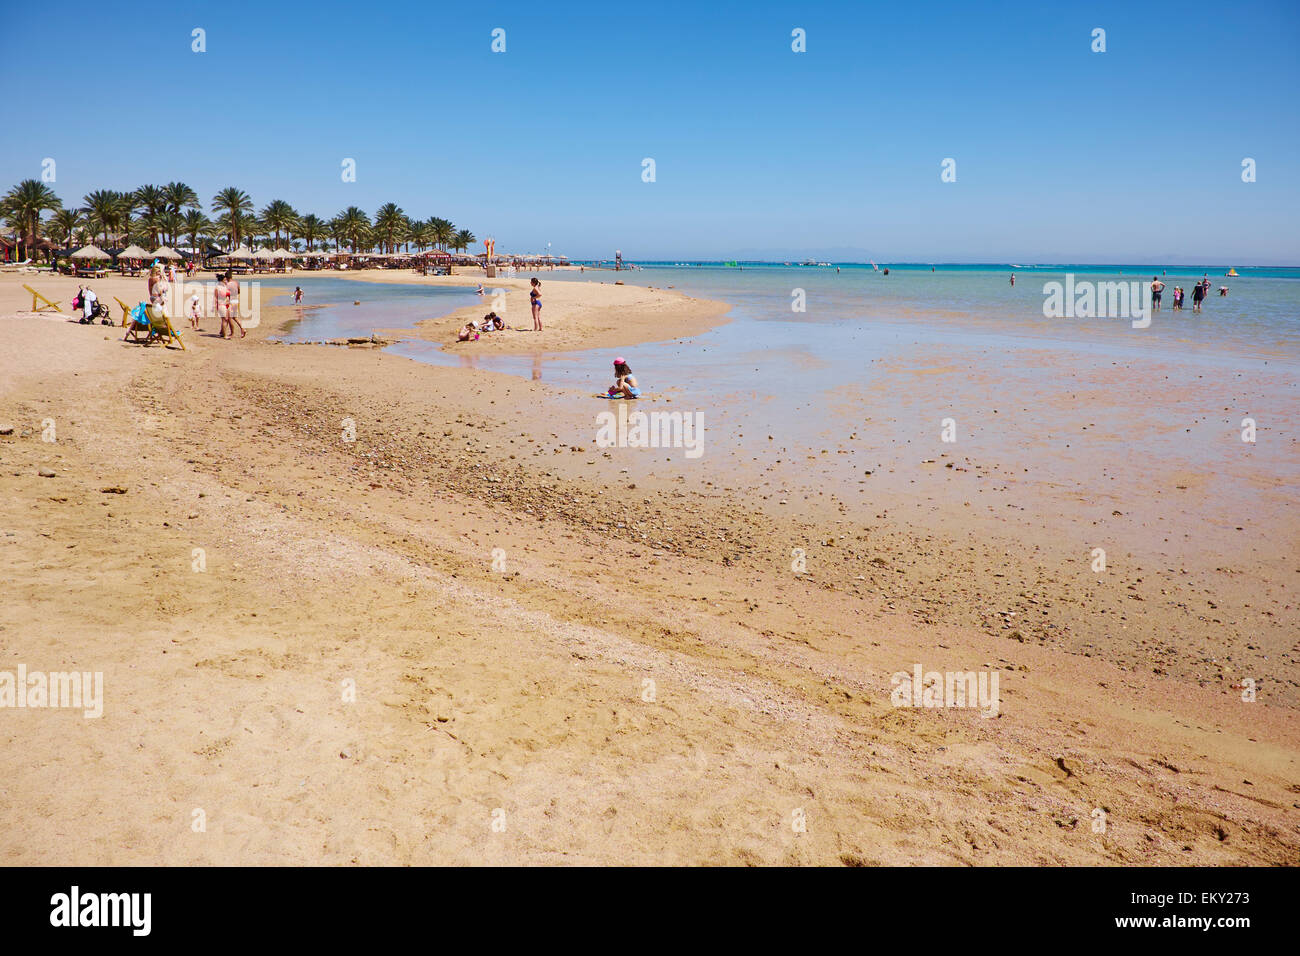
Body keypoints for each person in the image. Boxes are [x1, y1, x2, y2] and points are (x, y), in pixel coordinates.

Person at [226, 273, 245, 338]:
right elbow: (239, 291)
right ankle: (242, 328)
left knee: (230, 318)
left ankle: (232, 333)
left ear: (226, 278)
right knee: (235, 317)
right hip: (236, 301)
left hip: (231, 301)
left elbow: (226, 293)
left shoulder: (227, 284)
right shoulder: (236, 283)